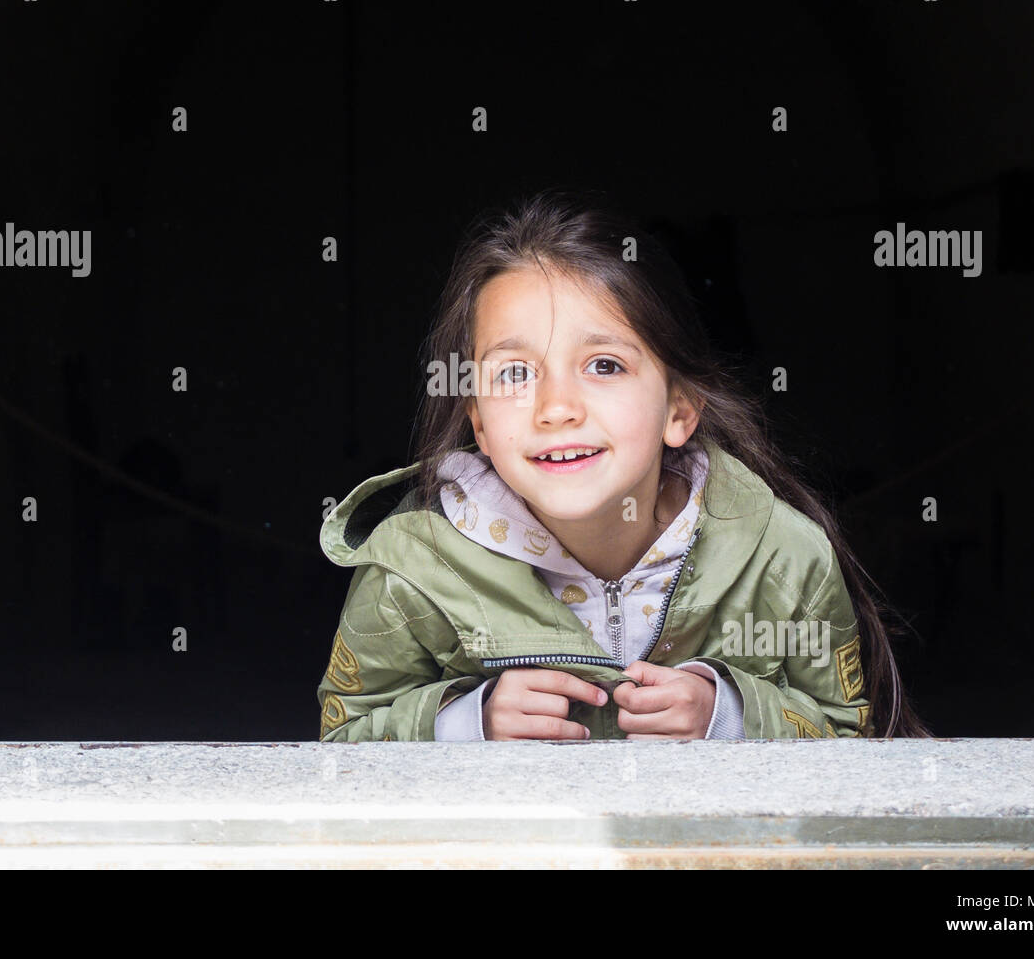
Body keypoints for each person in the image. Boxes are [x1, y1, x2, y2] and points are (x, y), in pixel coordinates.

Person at [317, 189, 932, 741]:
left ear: (680, 408)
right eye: (514, 373)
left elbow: (851, 737)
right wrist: (466, 722)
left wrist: (731, 717)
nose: (556, 408)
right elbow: (341, 741)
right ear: (478, 420)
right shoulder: (411, 571)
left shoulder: (785, 560)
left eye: (604, 365)